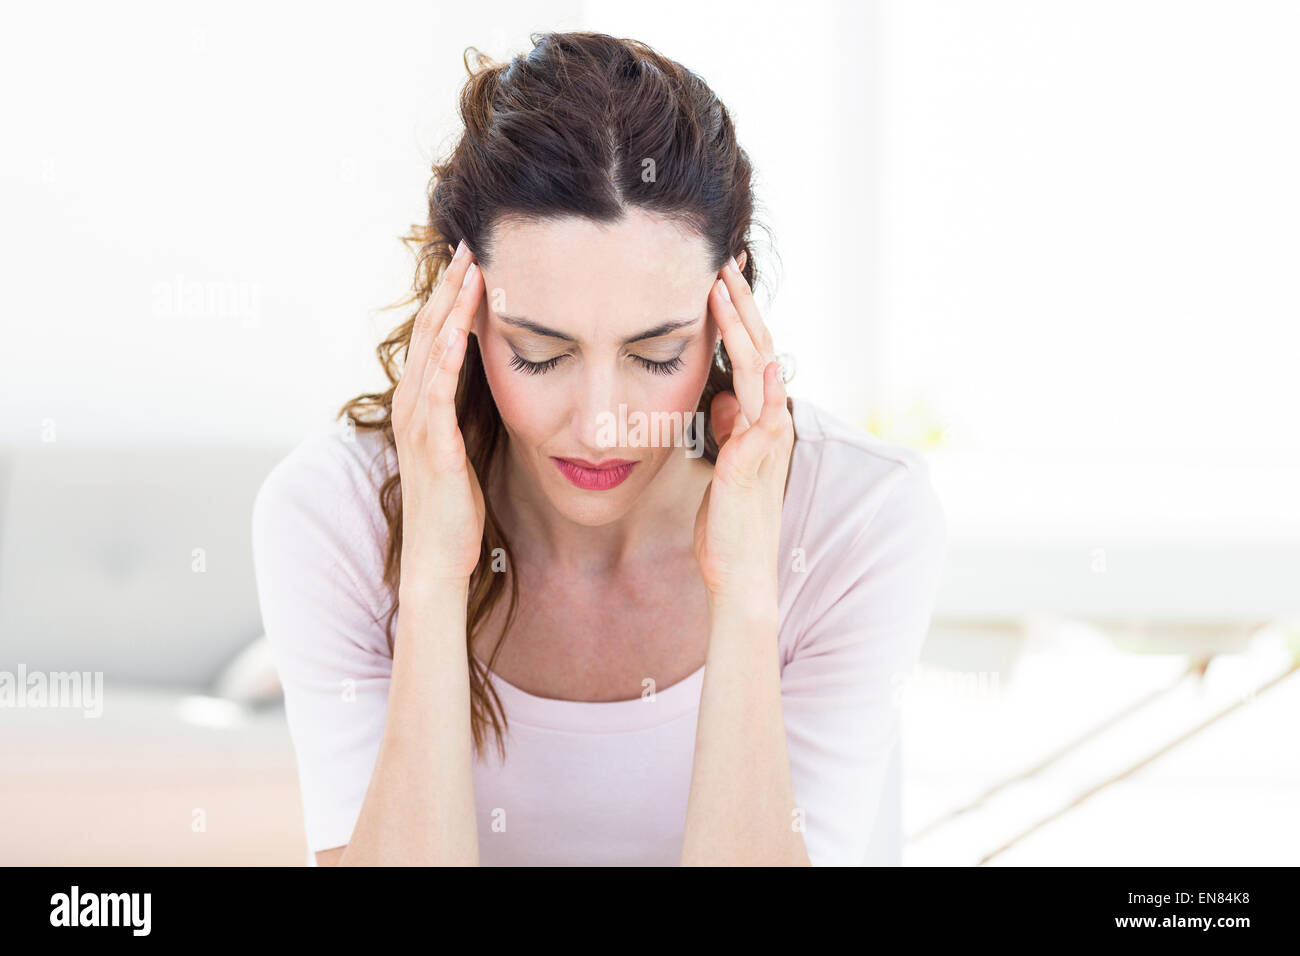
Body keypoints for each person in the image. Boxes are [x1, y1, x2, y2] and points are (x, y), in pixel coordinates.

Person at [251, 31, 947, 866]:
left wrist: (746, 595)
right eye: (539, 354)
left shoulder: (856, 519)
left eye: (656, 355)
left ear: (729, 314)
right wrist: (432, 581)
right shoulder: (335, 516)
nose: (603, 425)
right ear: (462, 307)